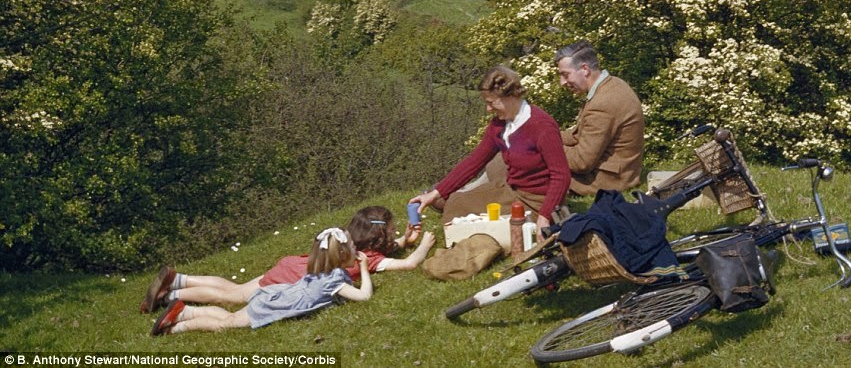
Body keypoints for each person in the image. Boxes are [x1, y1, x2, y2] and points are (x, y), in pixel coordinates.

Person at [139, 206, 434, 313]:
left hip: (293, 265)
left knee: (235, 286)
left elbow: (387, 249)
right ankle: (171, 296)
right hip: (290, 279)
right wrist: (424, 246)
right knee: (233, 296)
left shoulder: (348, 242)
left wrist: (403, 241)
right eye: (392, 230)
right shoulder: (367, 259)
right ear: (379, 238)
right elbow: (407, 264)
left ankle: (179, 279)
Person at [409, 65, 570, 234]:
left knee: (483, 227)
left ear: (509, 96)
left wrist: (545, 216)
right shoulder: (498, 125)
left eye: (491, 103)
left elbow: (561, 175)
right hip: (511, 192)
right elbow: (474, 162)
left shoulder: (542, 126)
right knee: (456, 203)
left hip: (540, 201)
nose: (488, 109)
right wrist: (434, 194)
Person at [149, 228, 370, 335]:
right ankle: (178, 325)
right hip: (274, 304)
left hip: (274, 295)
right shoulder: (334, 280)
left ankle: (184, 308)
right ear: (341, 255)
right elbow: (364, 296)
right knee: (226, 322)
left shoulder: (321, 271)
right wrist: (363, 269)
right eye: (352, 246)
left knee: (232, 313)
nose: (356, 249)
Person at [554, 40, 645, 196]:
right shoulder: (613, 84)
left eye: (565, 75)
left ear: (584, 69)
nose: (562, 82)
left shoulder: (603, 103)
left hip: (607, 180)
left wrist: (544, 145)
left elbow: (581, 162)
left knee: (531, 167)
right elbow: (578, 135)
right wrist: (543, 133)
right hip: (621, 172)